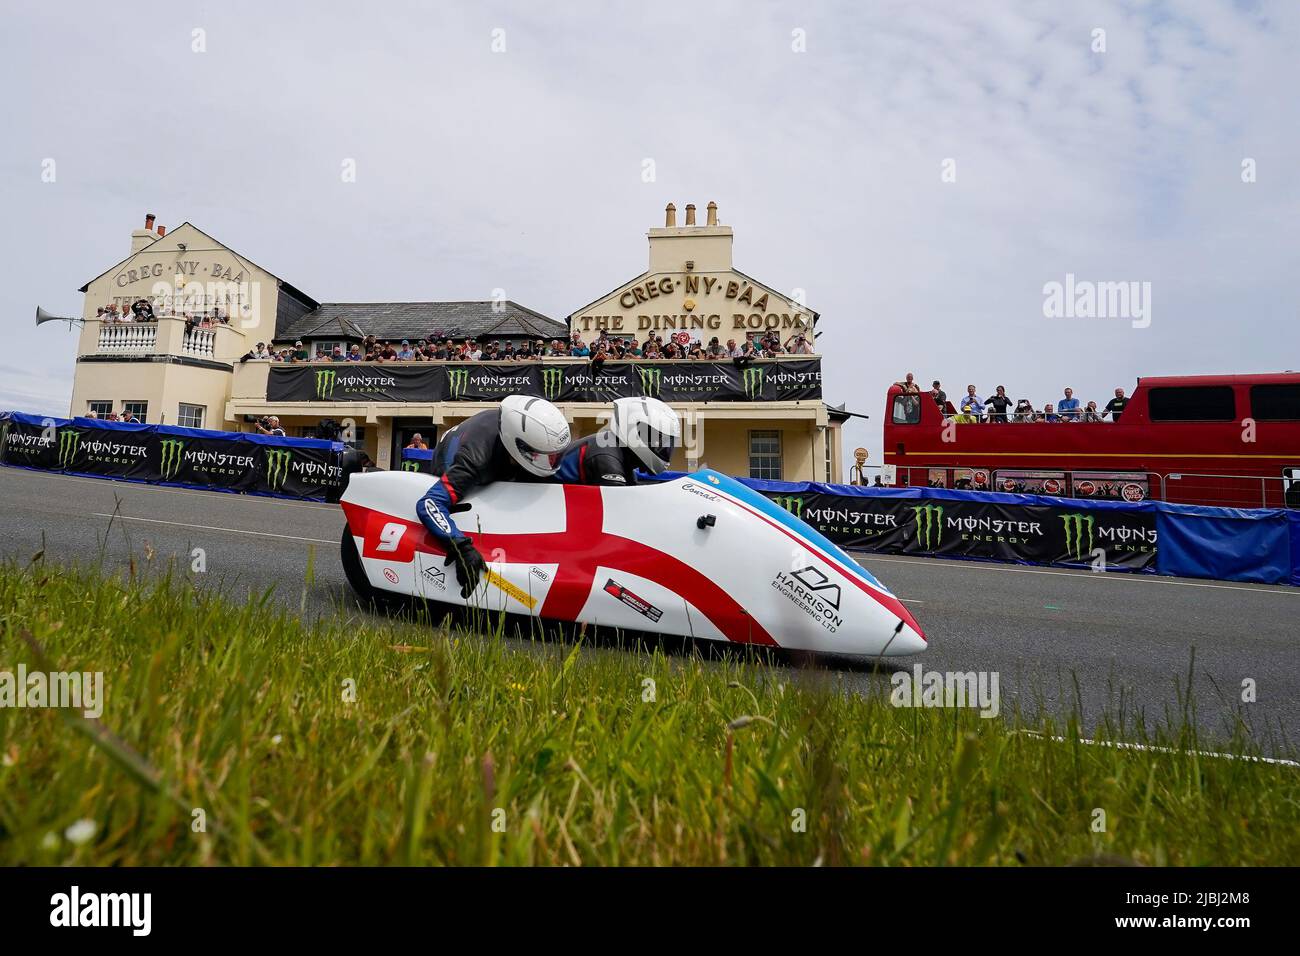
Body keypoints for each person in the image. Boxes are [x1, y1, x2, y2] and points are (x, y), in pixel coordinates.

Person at [417, 396, 571, 597]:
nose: (552, 463)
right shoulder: (475, 460)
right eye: (544, 456)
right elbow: (429, 503)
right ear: (519, 447)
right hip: (451, 455)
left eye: (556, 456)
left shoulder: (529, 435)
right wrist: (460, 546)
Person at [555, 397, 680, 486]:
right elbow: (619, 506)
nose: (664, 448)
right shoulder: (607, 456)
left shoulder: (618, 452)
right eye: (658, 440)